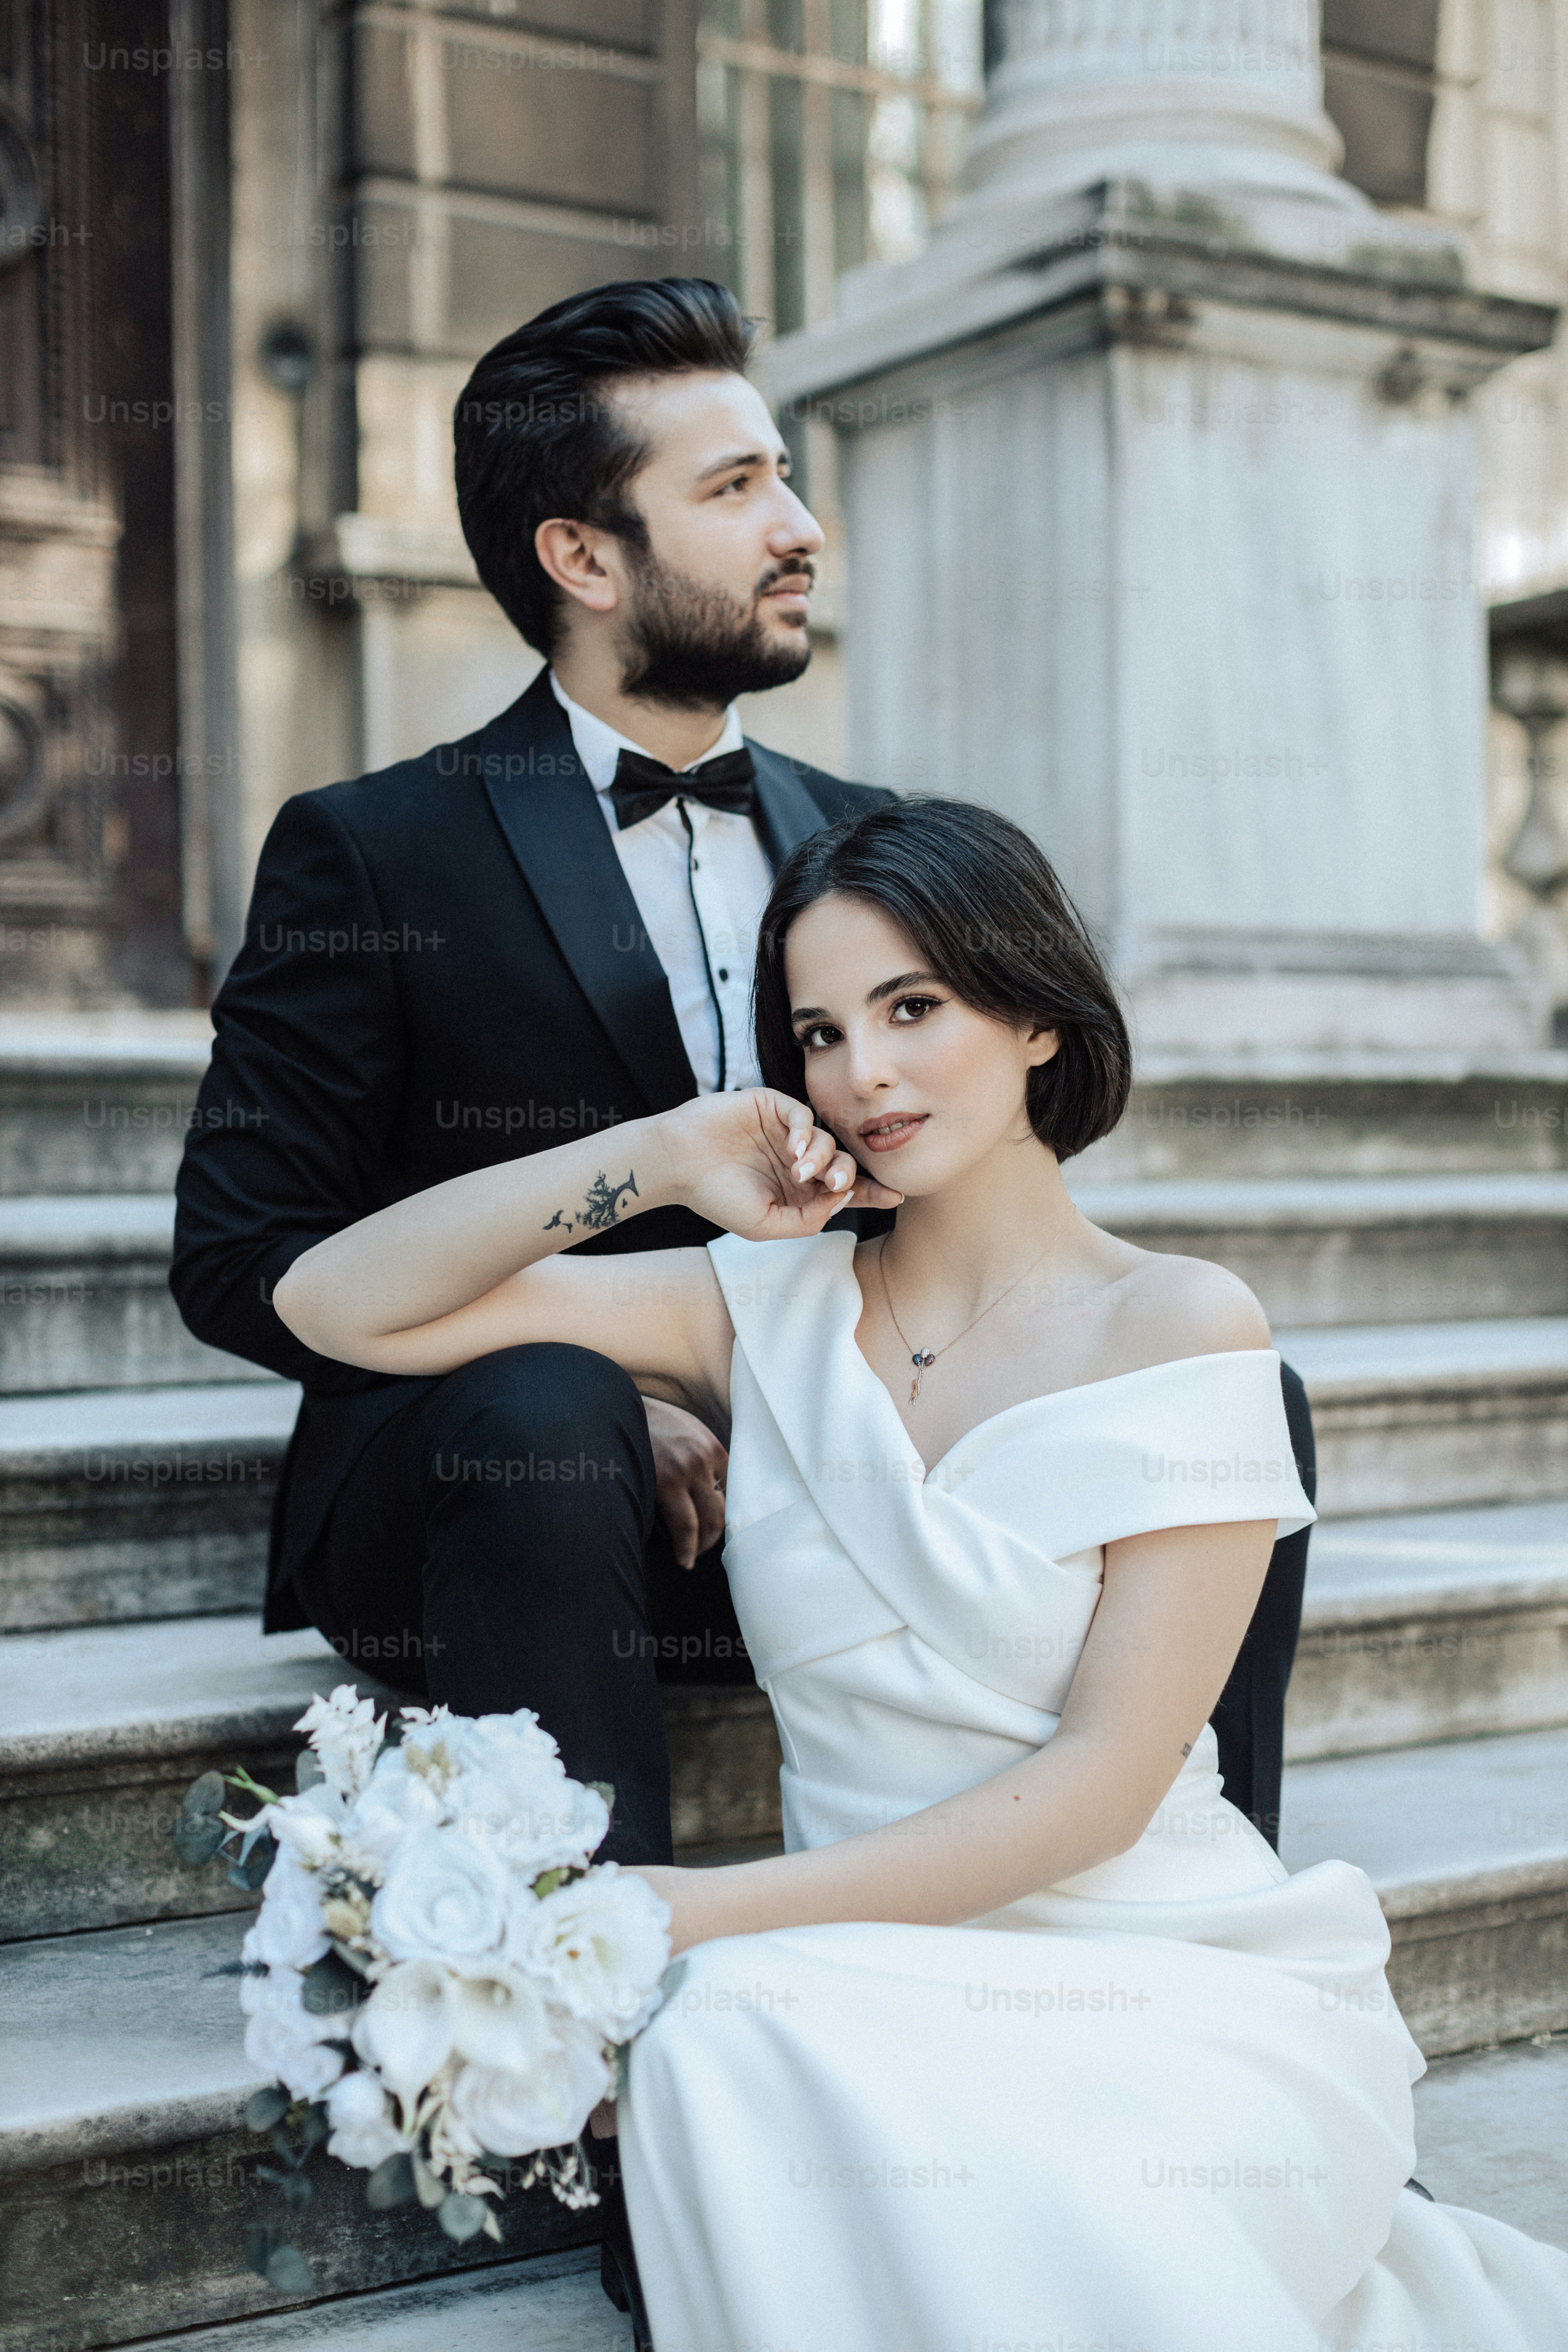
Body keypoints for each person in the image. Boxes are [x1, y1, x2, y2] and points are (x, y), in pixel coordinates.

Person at [272, 797, 1567, 2352]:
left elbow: (1098, 1787)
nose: (862, 1074)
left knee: (751, 2030)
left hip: (1144, 1950)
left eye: (912, 1009)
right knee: (728, 2041)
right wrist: (659, 1158)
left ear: (1032, 1017)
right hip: (846, 1963)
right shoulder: (750, 1307)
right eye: (818, 1033)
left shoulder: (1184, 1326)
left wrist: (698, 1911)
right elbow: (332, 1303)